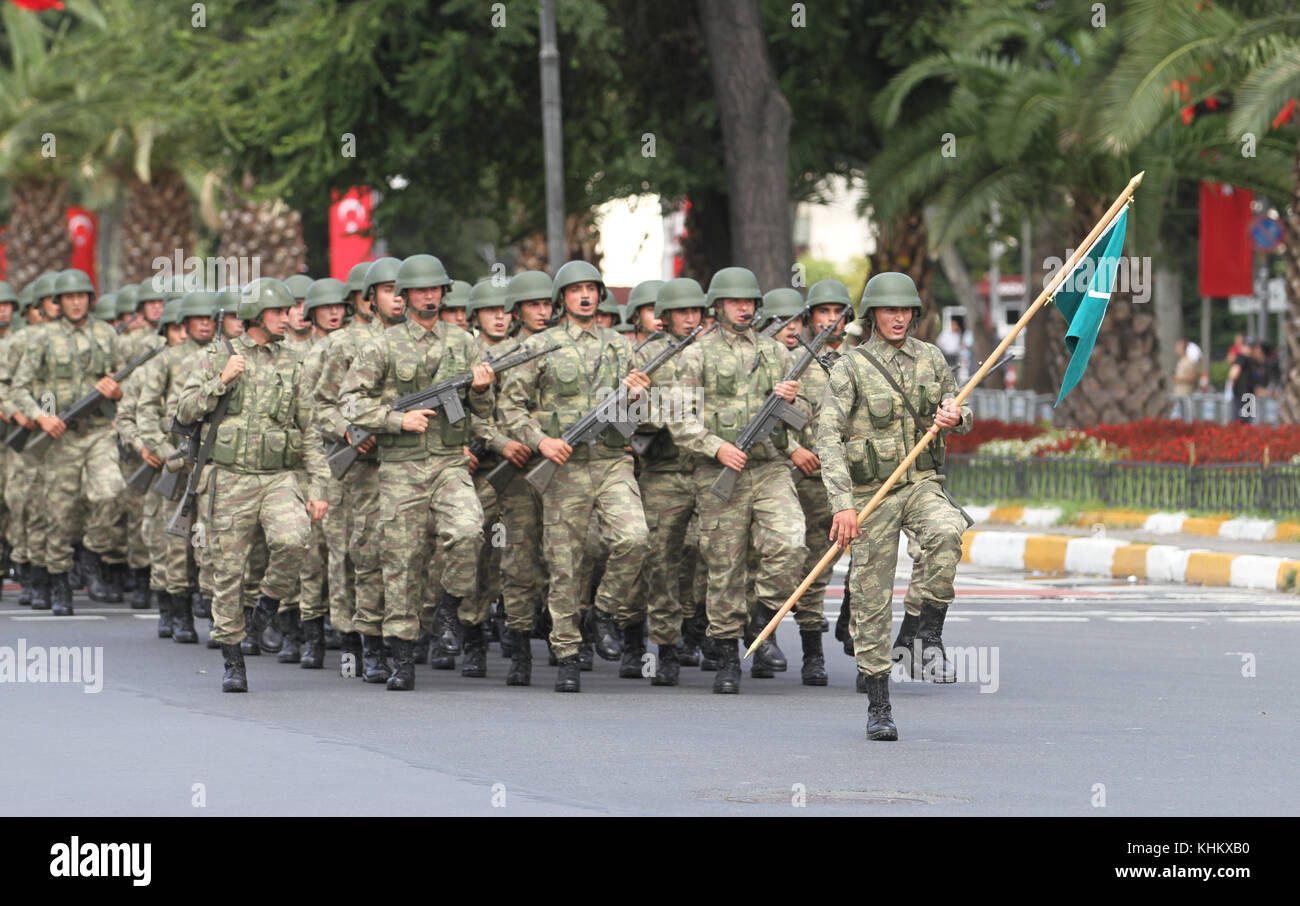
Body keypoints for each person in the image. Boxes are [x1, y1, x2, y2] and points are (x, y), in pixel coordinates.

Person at [816, 272, 972, 741]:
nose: (899, 317)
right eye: (889, 310)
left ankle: (925, 633)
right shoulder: (851, 367)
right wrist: (842, 505)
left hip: (921, 483)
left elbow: (958, 411)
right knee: (870, 597)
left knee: (947, 534)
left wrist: (955, 416)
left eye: (905, 310)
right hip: (870, 494)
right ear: (873, 315)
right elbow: (828, 437)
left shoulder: (932, 359)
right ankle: (879, 704)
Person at [339, 254, 494, 691]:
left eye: (435, 290)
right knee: (401, 562)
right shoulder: (382, 346)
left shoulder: (465, 344)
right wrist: (395, 420)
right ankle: (401, 656)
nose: (429, 297)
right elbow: (349, 402)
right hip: (401, 466)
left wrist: (481, 390)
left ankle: (448, 607)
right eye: (420, 291)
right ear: (404, 297)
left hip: (448, 461)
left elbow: (485, 413)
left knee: (468, 531)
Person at [497, 260, 651, 692]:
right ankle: (566, 652)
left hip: (609, 461)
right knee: (564, 562)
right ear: (561, 298)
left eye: (590, 288)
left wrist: (640, 396)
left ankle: (603, 611)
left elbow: (638, 418)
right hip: (563, 468)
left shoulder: (620, 347)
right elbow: (511, 408)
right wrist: (540, 440)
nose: (584, 295)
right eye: (575, 289)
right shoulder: (541, 346)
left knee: (635, 538)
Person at [174, 278, 330, 693]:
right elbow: (184, 412)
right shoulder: (217, 356)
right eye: (280, 312)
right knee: (227, 571)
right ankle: (232, 658)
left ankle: (266, 606)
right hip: (228, 480)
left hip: (279, 477)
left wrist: (318, 489)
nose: (289, 318)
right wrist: (221, 381)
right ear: (257, 316)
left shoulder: (295, 363)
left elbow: (310, 431)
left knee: (295, 540)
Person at [667, 267, 808, 694]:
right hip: (720, 472)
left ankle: (762, 619)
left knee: (791, 542)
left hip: (769, 469)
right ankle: (728, 657)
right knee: (724, 568)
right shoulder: (697, 354)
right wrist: (716, 447)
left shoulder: (775, 353)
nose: (744, 307)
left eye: (749, 301)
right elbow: (678, 418)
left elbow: (803, 421)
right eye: (735, 301)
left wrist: (791, 400)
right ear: (718, 306)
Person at [9, 269, 128, 617]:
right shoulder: (41, 337)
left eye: (82, 296)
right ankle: (59, 582)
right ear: (58, 302)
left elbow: (127, 381)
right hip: (59, 434)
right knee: (59, 514)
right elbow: (19, 386)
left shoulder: (106, 334)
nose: (76, 302)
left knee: (111, 492)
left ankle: (90, 553)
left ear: (90, 300)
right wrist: (41, 415)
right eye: (69, 297)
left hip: (98, 432)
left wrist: (117, 392)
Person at [312, 257, 404, 680]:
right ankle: (363, 640)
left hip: (410, 463)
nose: (398, 298)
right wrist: (349, 432)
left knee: (403, 553)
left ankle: (401, 635)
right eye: (388, 290)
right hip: (361, 468)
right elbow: (321, 405)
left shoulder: (422, 343)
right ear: (369, 299)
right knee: (359, 553)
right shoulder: (345, 344)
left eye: (403, 290)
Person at [1228, 338, 1259, 423]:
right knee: (1242, 423)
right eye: (1249, 347)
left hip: (1248, 396)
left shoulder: (1250, 360)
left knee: (1246, 422)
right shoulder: (1241, 358)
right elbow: (1233, 374)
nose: (1251, 350)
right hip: (1243, 396)